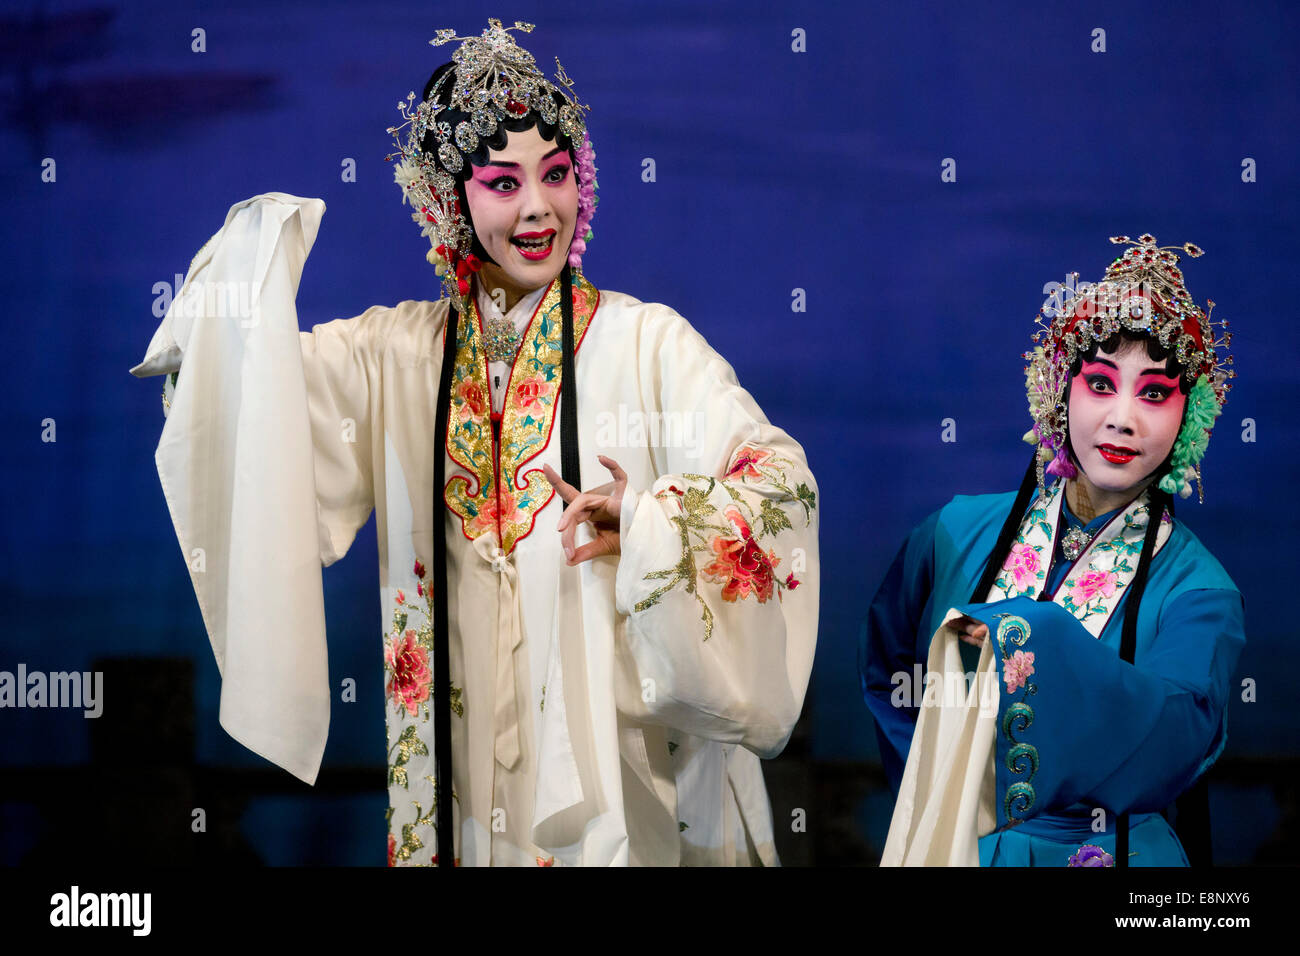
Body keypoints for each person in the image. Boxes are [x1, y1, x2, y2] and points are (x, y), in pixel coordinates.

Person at [130, 19, 819, 866]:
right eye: (503, 183)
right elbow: (242, 404)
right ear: (446, 202)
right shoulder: (394, 356)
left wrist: (650, 522)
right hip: (455, 779)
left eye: (557, 175)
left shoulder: (648, 345)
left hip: (621, 775)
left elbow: (781, 482)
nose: (539, 208)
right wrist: (247, 263)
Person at [859, 234, 1243, 866]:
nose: (1123, 418)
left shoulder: (1200, 592)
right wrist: (941, 796)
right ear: (1058, 391)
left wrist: (1024, 638)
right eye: (1099, 383)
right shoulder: (954, 532)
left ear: (1190, 412)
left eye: (1154, 393)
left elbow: (1177, 735)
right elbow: (887, 671)